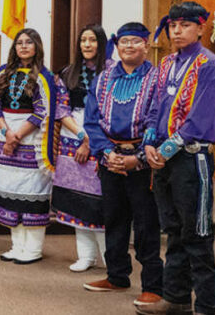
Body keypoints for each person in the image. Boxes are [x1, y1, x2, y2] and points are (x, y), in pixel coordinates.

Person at [138, 2, 215, 315]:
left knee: (196, 234)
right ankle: (176, 299)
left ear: (201, 28)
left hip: (191, 159)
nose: (177, 31)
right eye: (173, 25)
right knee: (173, 231)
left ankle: (205, 306)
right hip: (163, 160)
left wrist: (164, 151)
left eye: (185, 25)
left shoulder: (209, 65)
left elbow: (199, 120)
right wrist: (149, 143)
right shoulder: (166, 63)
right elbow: (155, 108)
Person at [81, 23, 164, 310]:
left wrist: (137, 158)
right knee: (114, 218)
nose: (129, 46)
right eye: (124, 41)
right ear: (116, 46)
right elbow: (91, 121)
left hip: (143, 160)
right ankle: (117, 276)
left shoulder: (157, 78)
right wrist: (106, 152)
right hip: (110, 159)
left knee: (146, 222)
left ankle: (153, 286)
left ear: (146, 45)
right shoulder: (103, 79)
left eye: (135, 41)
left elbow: (159, 119)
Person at [0, 28, 57, 265]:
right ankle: (17, 246)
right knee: (10, 192)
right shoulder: (3, 73)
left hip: (31, 141)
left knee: (32, 192)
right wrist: (7, 133)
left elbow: (42, 111)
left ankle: (33, 249)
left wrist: (17, 135)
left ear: (37, 47)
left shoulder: (44, 76)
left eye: (29, 42)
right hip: (6, 135)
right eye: (19, 43)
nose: (24, 46)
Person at [51, 24, 107, 272]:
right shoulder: (68, 72)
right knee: (77, 201)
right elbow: (61, 110)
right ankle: (86, 256)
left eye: (92, 40)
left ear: (101, 43)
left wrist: (91, 140)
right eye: (83, 40)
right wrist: (82, 135)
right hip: (71, 136)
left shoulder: (112, 71)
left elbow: (112, 110)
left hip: (102, 137)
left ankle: (110, 258)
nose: (87, 44)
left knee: (99, 201)